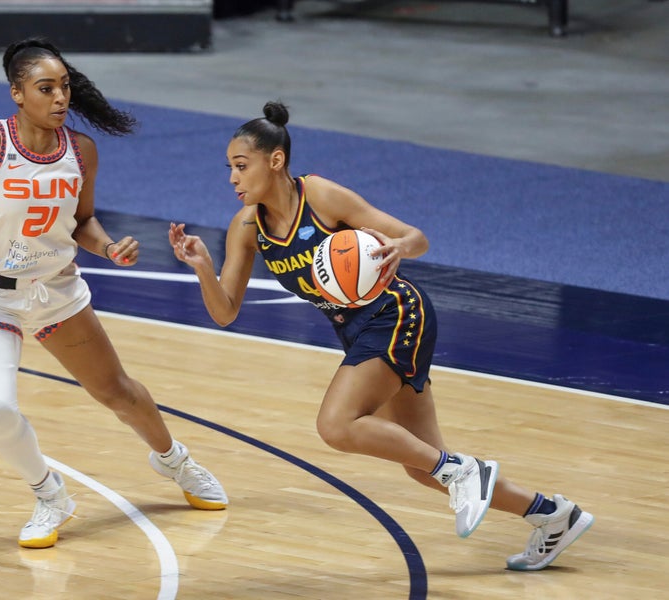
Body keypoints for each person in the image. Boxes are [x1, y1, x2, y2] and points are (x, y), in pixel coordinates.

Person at [168, 100, 593, 571]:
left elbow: (416, 238)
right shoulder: (246, 228)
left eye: (241, 166)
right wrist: (204, 268)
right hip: (357, 331)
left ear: (276, 161)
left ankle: (465, 472)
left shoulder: (323, 197)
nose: (232, 178)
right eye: (229, 168)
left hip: (396, 313)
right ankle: (553, 515)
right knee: (423, 464)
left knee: (336, 425)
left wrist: (396, 247)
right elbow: (225, 312)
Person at [0, 37, 227, 549]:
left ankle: (175, 461)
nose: (60, 98)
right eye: (46, 88)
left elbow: (81, 222)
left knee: (116, 392)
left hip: (56, 289)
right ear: (17, 93)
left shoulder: (81, 151)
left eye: (65, 87)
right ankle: (50, 495)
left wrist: (107, 248)